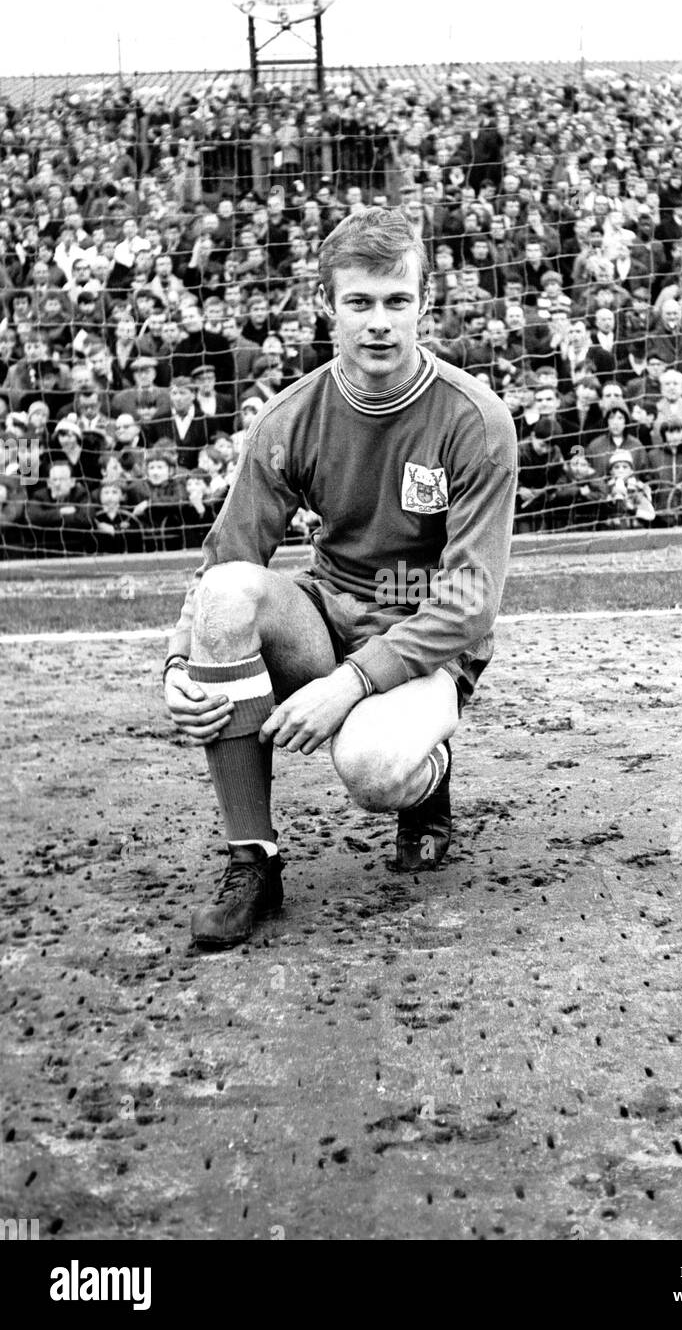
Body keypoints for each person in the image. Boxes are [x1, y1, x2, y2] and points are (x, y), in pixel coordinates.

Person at [162, 208, 517, 949]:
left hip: (423, 633)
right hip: (328, 615)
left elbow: (471, 601)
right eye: (359, 303)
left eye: (396, 302)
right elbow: (224, 557)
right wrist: (177, 665)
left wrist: (352, 684)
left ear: (423, 304)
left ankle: (428, 776)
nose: (379, 323)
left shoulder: (476, 421)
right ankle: (254, 861)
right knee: (228, 597)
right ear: (329, 306)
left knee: (371, 767)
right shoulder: (290, 419)